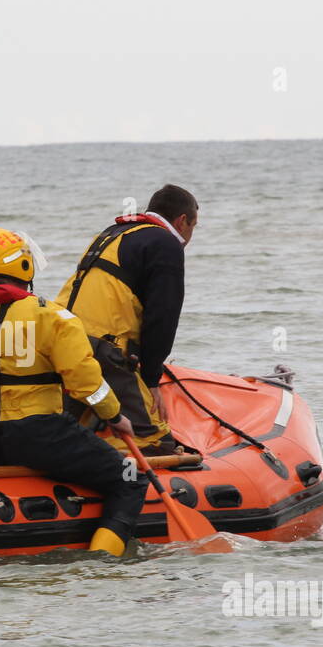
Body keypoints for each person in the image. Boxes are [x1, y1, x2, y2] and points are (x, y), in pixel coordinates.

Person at [0, 227, 149, 556]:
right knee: (130, 479)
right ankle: (104, 560)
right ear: (23, 267)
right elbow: (85, 382)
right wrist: (114, 416)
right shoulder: (49, 315)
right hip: (37, 435)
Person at [56, 183, 199, 454]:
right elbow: (162, 317)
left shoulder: (112, 233)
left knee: (63, 425)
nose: (191, 235)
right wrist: (152, 378)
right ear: (182, 222)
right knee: (154, 441)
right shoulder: (166, 243)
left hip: (62, 339)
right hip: (103, 350)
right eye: (193, 227)